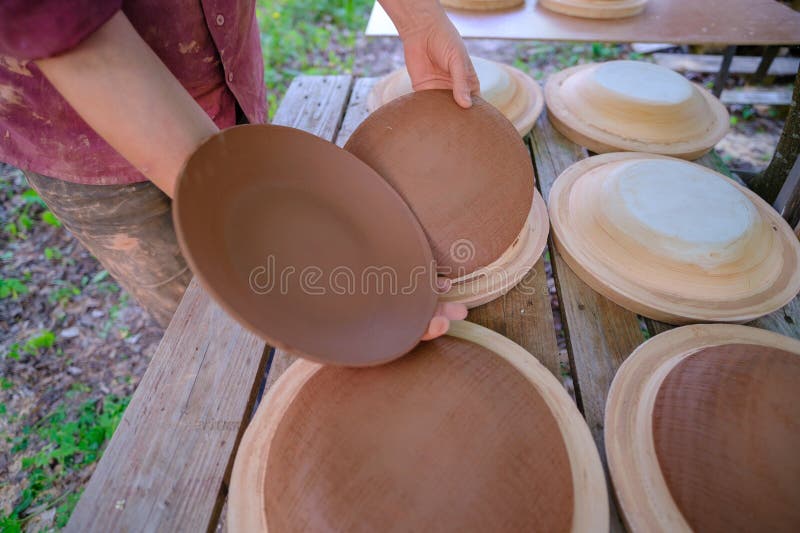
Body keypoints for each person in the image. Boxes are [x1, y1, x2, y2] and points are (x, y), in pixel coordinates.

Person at [0, 1, 478, 337]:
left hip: (221, 72)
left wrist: (420, 20)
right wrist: (257, 222)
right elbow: (58, 23)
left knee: (309, 306)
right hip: (91, 139)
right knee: (220, 326)